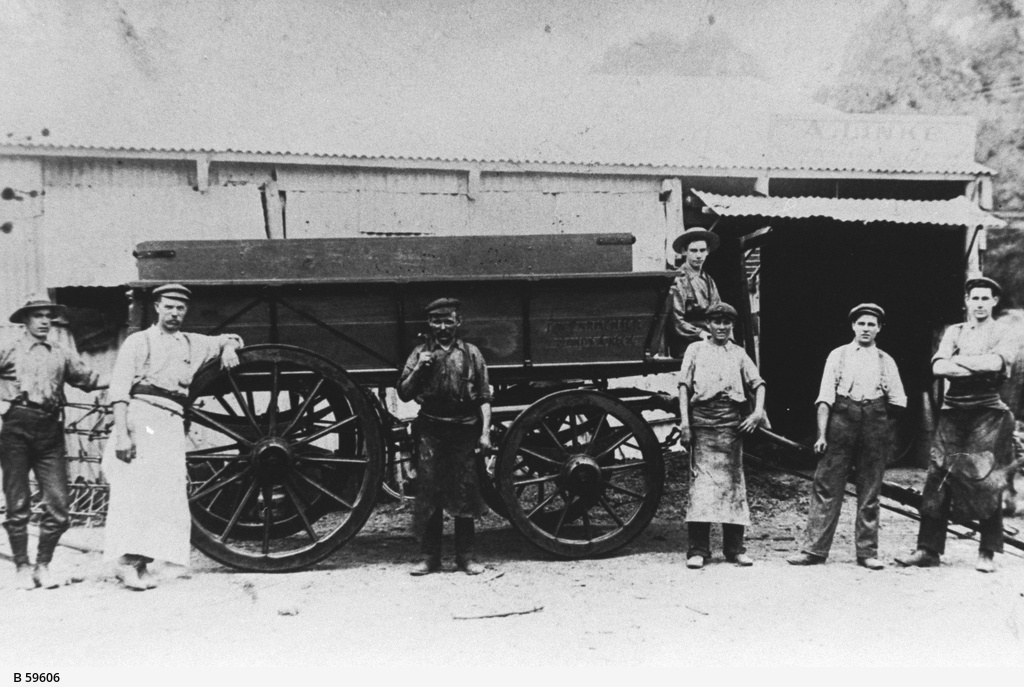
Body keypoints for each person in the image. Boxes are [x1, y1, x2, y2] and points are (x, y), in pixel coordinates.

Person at [103, 283, 243, 590]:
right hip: (143, 418)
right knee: (139, 490)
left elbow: (228, 339)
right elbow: (119, 391)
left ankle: (141, 563)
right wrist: (123, 434)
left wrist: (230, 347)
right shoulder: (139, 342)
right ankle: (126, 563)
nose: (174, 313)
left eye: (180, 308)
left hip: (170, 422)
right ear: (156, 307)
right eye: (169, 306)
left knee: (165, 493)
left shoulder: (192, 343)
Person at [897, 277, 1020, 573]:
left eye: (984, 298)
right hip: (953, 413)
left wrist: (960, 363)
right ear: (966, 301)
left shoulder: (1003, 332)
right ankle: (928, 549)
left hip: (988, 412)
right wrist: (978, 361)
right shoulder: (955, 331)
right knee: (937, 478)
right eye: (974, 298)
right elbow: (939, 366)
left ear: (993, 302)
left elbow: (997, 364)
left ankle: (987, 552)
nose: (979, 304)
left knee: (987, 480)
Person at [787, 303, 907, 570]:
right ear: (853, 326)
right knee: (826, 486)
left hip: (874, 422)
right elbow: (825, 398)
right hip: (841, 420)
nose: (866, 329)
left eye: (871, 324)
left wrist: (883, 432)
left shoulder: (885, 361)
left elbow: (899, 402)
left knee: (870, 490)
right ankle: (814, 550)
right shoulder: (838, 355)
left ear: (879, 329)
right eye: (861, 323)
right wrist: (821, 435)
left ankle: (867, 552)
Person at [0, 295, 102, 590]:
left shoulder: (61, 352)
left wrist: (127, 378)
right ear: (25, 320)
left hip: (49, 432)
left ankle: (43, 565)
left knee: (58, 506)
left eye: (48, 316)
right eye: (38, 316)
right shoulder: (9, 349)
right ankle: (21, 566)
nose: (45, 321)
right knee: (18, 503)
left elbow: (88, 378)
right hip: (15, 430)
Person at [398, 298, 492, 576]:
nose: (442, 327)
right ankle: (430, 559)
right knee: (431, 495)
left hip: (464, 429)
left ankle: (466, 558)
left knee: (465, 493)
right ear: (429, 324)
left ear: (458, 323)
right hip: (431, 430)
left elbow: (485, 398)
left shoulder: (472, 354)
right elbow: (403, 393)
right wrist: (418, 368)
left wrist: (485, 433)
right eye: (436, 321)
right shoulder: (419, 353)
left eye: (447, 321)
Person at [677, 302, 766, 569]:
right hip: (702, 424)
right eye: (716, 322)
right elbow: (683, 386)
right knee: (701, 488)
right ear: (707, 324)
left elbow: (758, 384)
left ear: (732, 325)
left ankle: (735, 549)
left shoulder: (738, 353)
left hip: (731, 426)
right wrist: (685, 423)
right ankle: (698, 550)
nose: (721, 327)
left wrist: (757, 413)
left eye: (726, 322)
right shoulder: (695, 350)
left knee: (733, 486)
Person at [667, 227, 722, 358]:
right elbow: (677, 322)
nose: (698, 255)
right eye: (693, 250)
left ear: (708, 251)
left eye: (702, 250)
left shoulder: (708, 280)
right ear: (684, 251)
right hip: (687, 341)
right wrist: (700, 334)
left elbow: (718, 311)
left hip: (709, 336)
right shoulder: (679, 280)